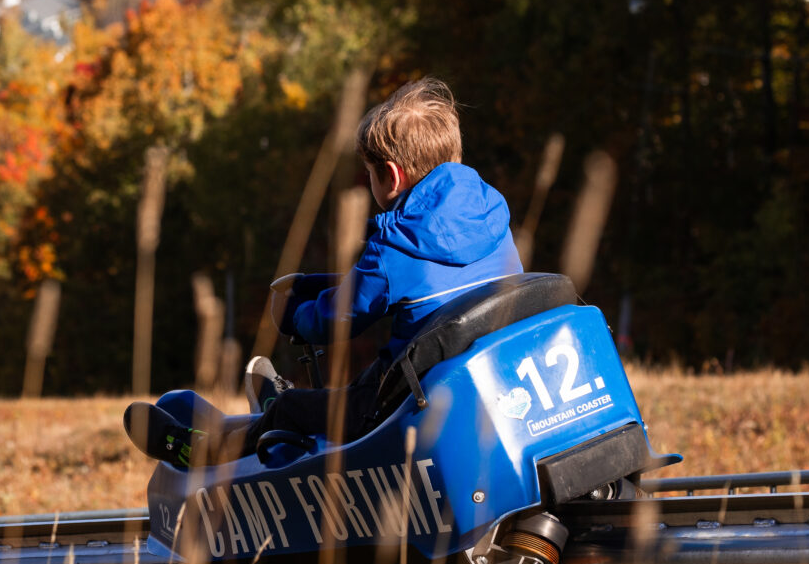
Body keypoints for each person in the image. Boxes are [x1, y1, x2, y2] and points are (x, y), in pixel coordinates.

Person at [124, 77, 523, 470]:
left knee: (298, 408)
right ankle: (274, 409)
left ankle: (209, 451)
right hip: (476, 387)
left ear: (392, 176)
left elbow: (336, 319)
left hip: (409, 406)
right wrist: (325, 285)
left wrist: (297, 315)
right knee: (368, 379)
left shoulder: (398, 246)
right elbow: (419, 284)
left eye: (369, 173)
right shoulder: (491, 216)